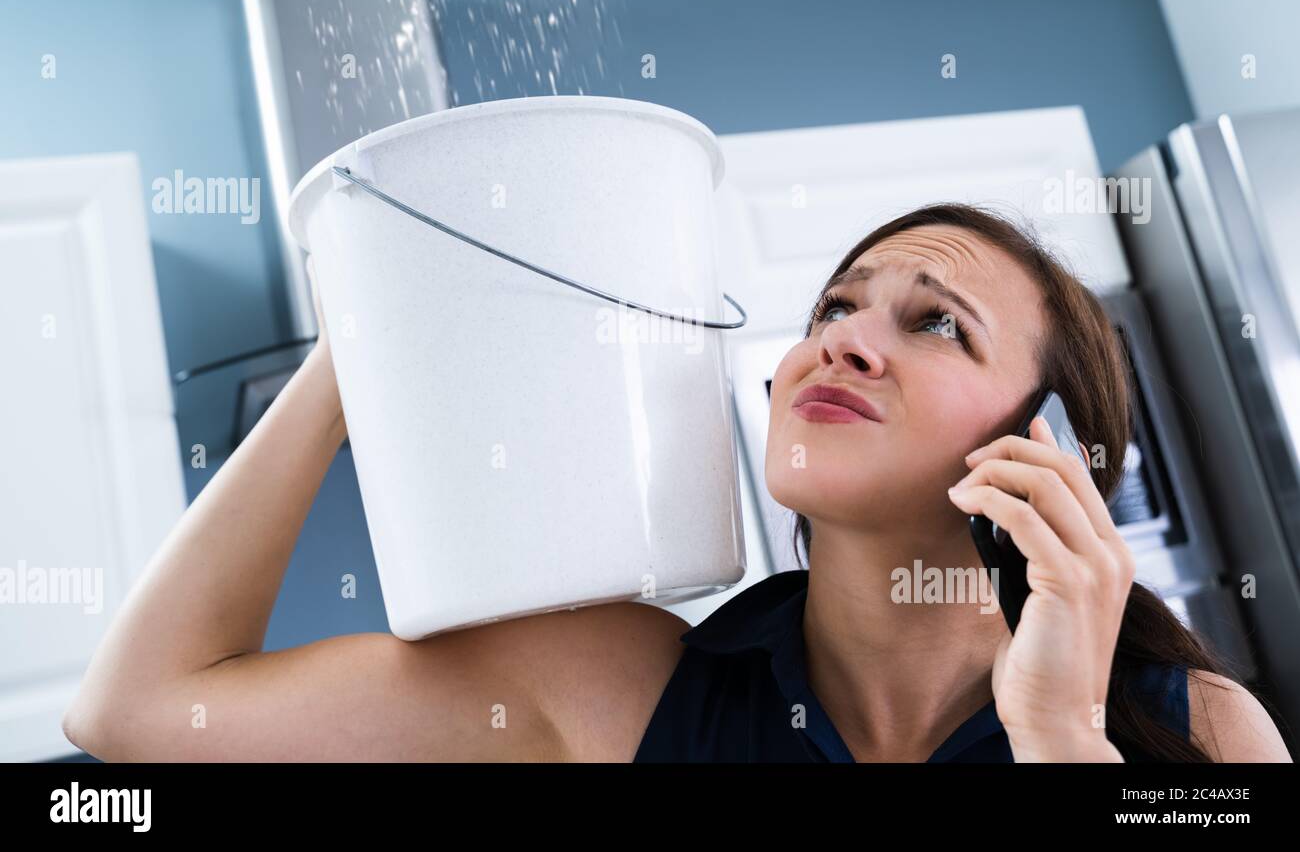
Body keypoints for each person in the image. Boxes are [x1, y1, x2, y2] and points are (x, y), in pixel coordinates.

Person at [62, 203, 1292, 762]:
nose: (843, 339)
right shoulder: (611, 686)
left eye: (936, 325)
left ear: (1048, 442)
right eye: (835, 307)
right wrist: (355, 348)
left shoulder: (1198, 739)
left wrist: (1058, 734)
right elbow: (141, 712)